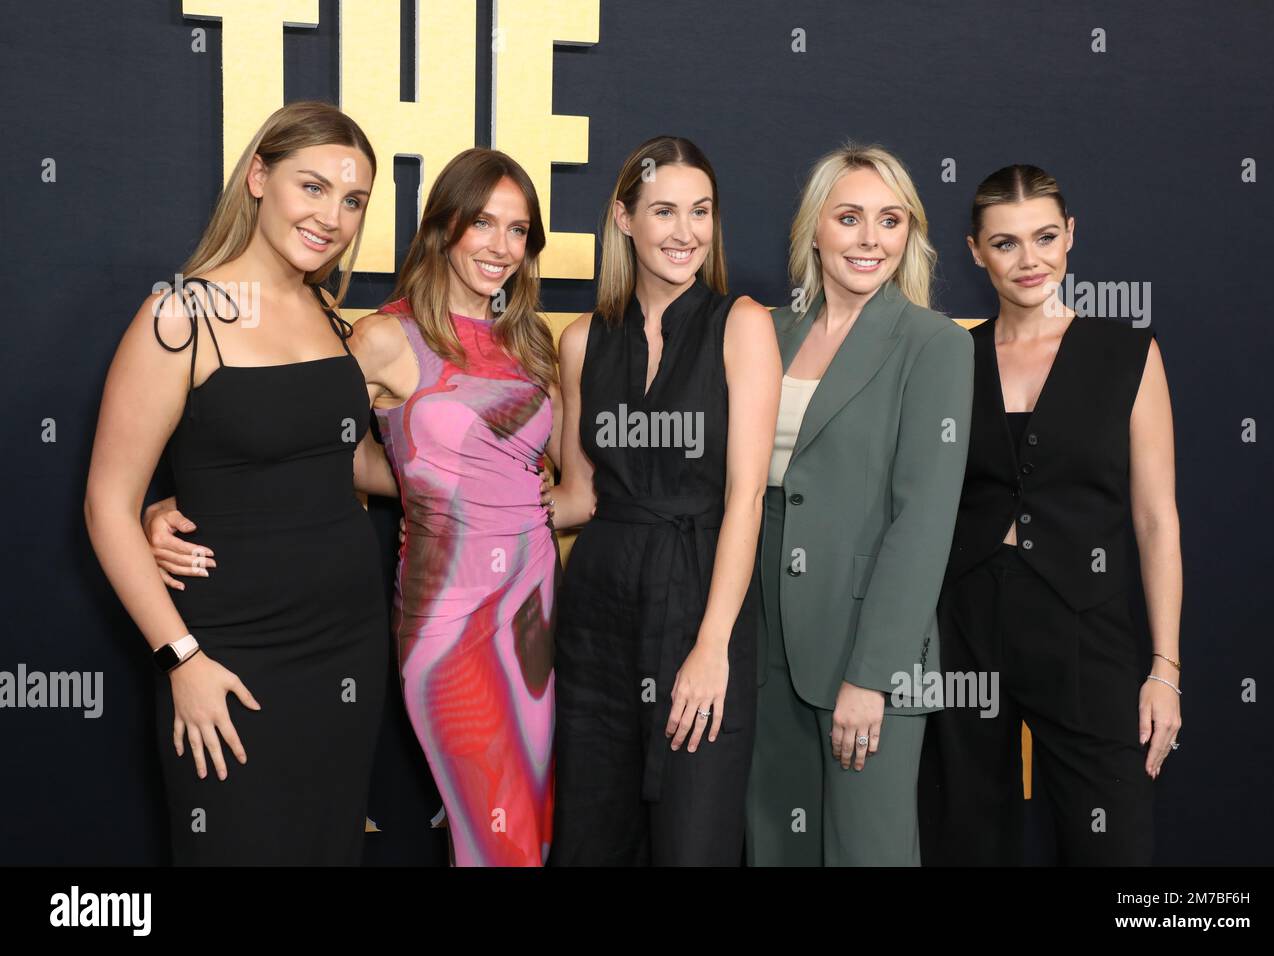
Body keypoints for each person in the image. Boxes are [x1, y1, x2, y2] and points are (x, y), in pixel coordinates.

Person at [145, 148, 561, 866]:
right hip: (448, 615)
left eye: (519, 230)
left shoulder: (530, 341)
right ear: (443, 228)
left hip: (533, 608)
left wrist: (523, 490)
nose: (501, 246)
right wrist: (177, 504)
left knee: (526, 828)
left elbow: (521, 474)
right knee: (497, 835)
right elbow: (290, 437)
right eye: (483, 223)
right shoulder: (377, 335)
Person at [85, 101, 387, 864]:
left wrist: (485, 473)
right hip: (230, 657)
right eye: (312, 187)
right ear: (258, 176)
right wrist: (180, 660)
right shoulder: (181, 315)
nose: (333, 217)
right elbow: (106, 506)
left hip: (347, 651)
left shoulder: (329, 314)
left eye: (353, 200)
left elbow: (328, 461)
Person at [918, 164, 1183, 866]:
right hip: (964, 627)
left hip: (1084, 629)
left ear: (1070, 237)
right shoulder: (949, 357)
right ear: (976, 251)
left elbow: (1157, 522)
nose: (1028, 260)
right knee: (964, 839)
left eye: (1043, 237)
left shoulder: (1126, 354)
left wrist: (1165, 669)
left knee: (1113, 848)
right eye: (1005, 243)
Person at [547, 135, 780, 865]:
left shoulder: (742, 324)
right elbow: (576, 496)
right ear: (623, 218)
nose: (685, 232)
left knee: (693, 843)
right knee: (591, 840)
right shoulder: (583, 341)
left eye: (701, 212)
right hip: (596, 618)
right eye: (664, 211)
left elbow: (746, 498)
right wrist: (452, 514)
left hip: (702, 601)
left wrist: (712, 648)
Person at [744, 143, 973, 866]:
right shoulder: (768, 334)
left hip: (866, 642)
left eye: (890, 220)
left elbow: (924, 523)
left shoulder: (934, 344)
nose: (870, 239)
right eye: (849, 218)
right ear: (815, 229)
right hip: (761, 634)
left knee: (863, 853)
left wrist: (873, 676)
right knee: (774, 845)